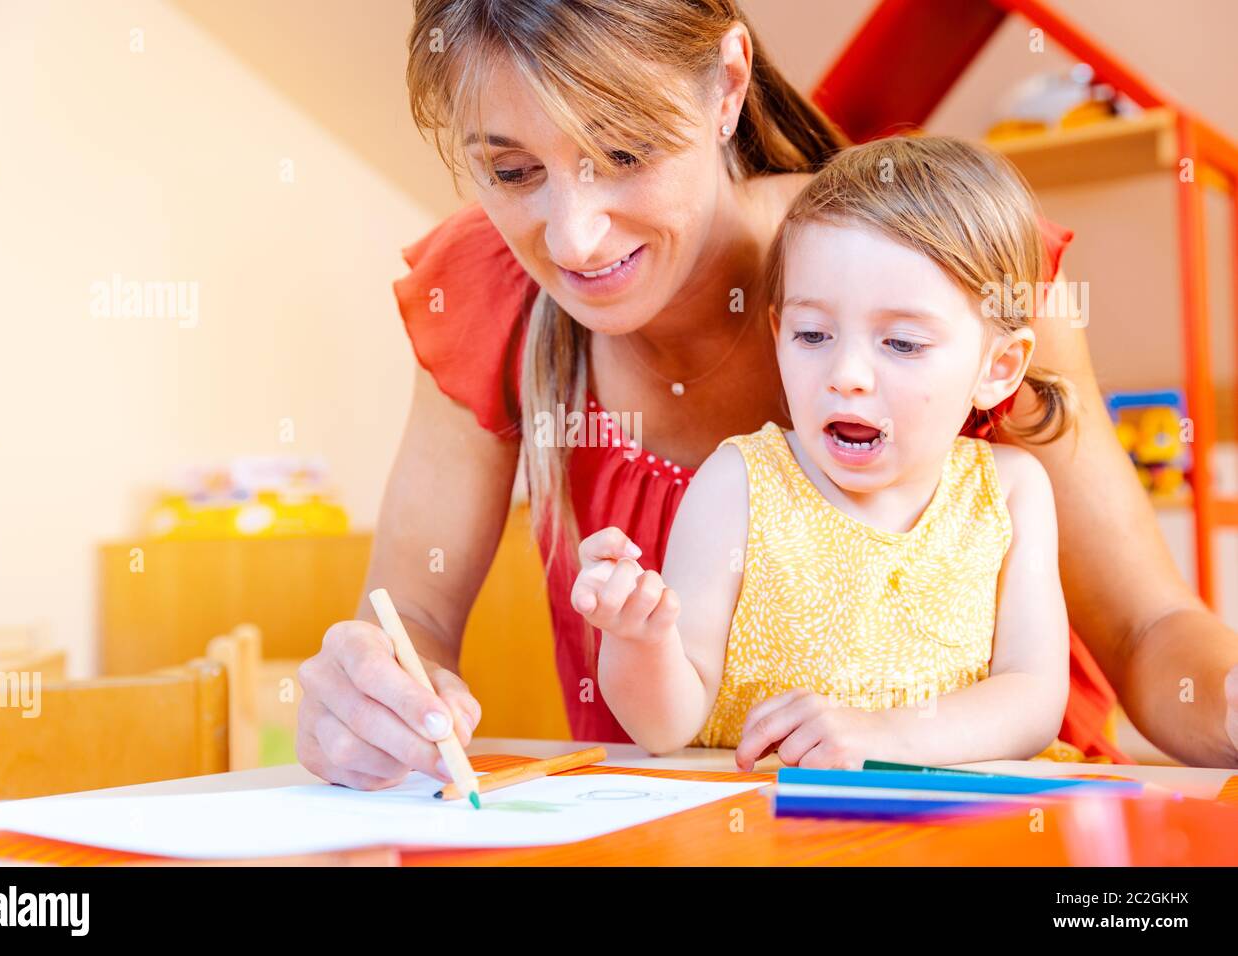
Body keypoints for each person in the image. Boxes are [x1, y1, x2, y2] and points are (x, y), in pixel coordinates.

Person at [296, 1, 1238, 791]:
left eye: (624, 151)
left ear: (726, 82)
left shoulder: (945, 272)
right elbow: (408, 624)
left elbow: (1151, 629)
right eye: (512, 170)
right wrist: (374, 698)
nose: (574, 239)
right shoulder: (490, 294)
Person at [571, 136, 1072, 769]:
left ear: (998, 368)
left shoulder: (1010, 492)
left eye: (903, 343)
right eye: (813, 334)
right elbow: (666, 727)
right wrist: (636, 638)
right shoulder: (740, 484)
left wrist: (885, 737)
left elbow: (1033, 699)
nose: (848, 374)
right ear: (779, 335)